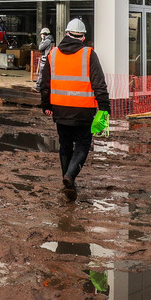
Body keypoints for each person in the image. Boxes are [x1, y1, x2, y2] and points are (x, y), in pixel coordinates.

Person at [36, 18, 110, 195]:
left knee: (65, 145)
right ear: (83, 37)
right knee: (83, 145)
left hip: (60, 110)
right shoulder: (89, 54)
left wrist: (46, 104)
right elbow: (99, 84)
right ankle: (70, 176)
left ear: (66, 34)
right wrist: (105, 108)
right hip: (83, 111)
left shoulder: (53, 54)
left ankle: (67, 181)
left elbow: (45, 83)